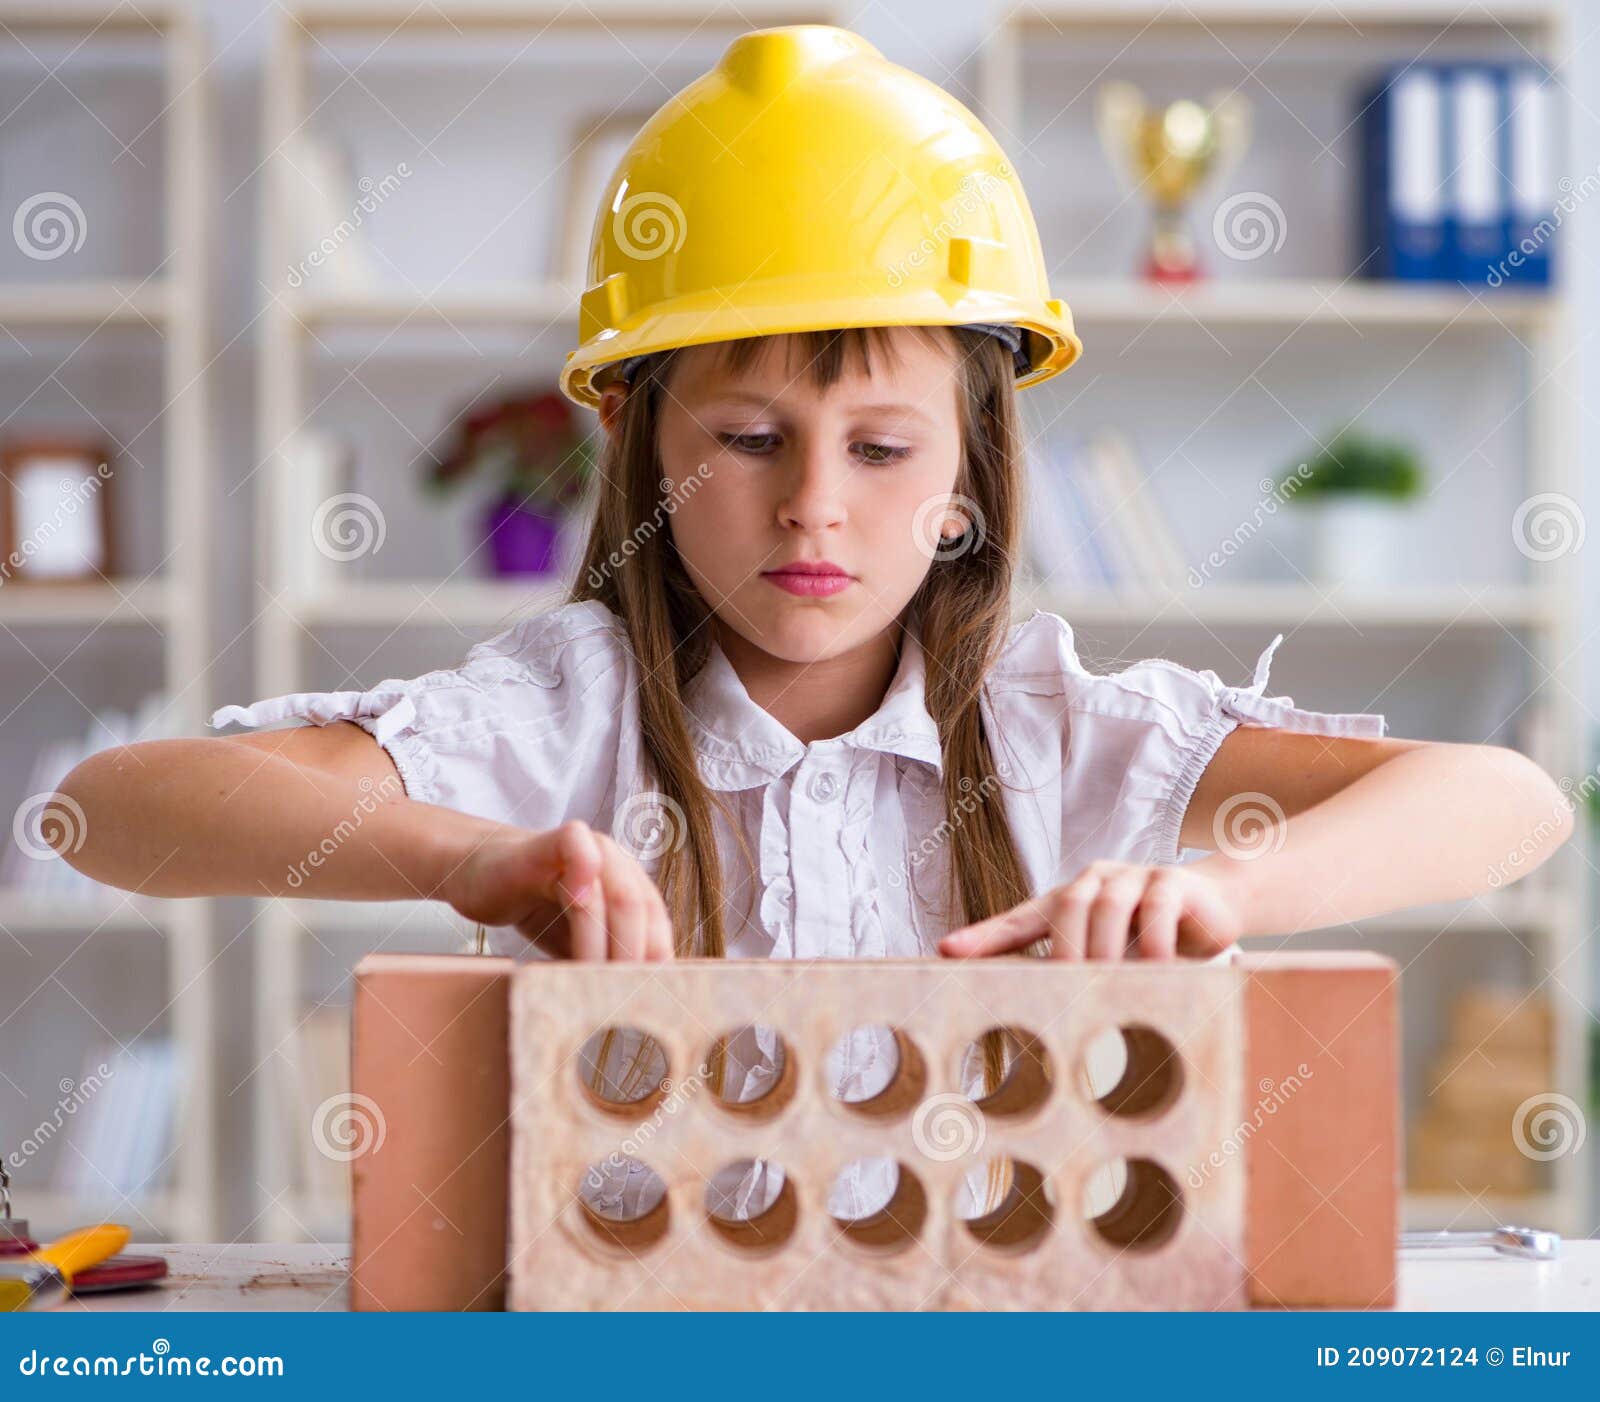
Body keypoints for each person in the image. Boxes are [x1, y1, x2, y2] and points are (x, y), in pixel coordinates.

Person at [53, 24, 1571, 1237]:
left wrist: (1227, 889)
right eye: (753, 439)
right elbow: (101, 812)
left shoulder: (1055, 722)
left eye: (884, 449)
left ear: (970, 483)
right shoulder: (563, 712)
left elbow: (1511, 799)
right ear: (646, 449)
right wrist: (465, 857)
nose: (814, 511)